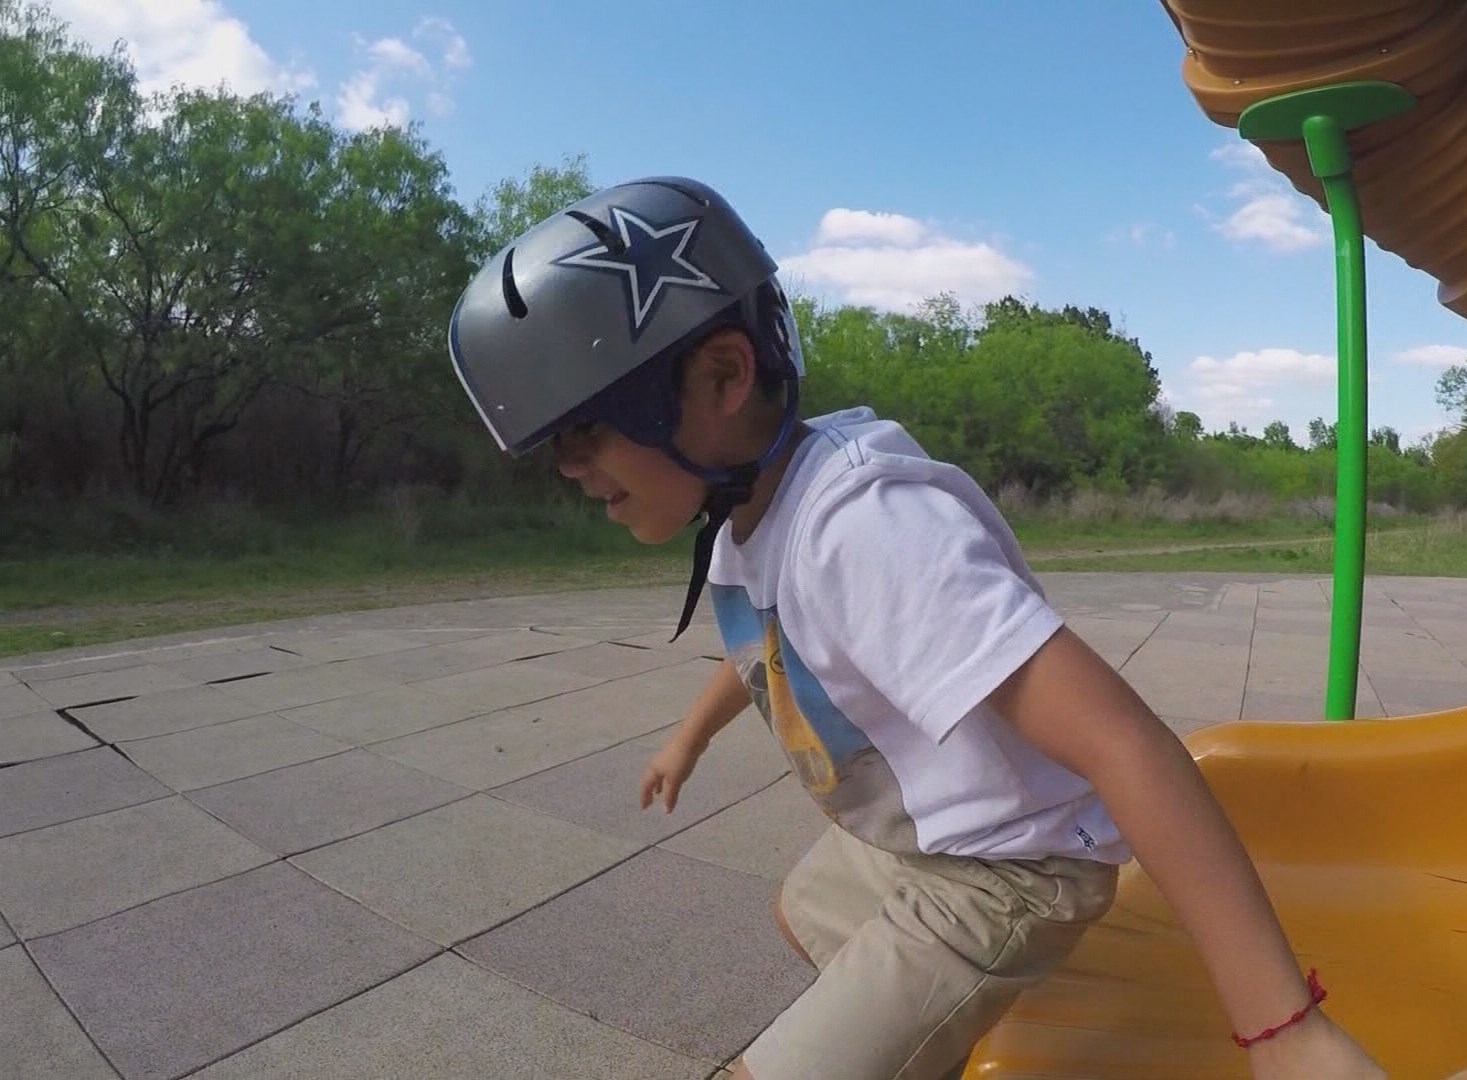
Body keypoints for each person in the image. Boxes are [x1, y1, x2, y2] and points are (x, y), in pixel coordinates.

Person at [446, 177, 1384, 1080]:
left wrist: (1282, 1028)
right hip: (919, 845)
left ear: (724, 374)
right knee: (807, 905)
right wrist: (687, 738)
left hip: (1008, 874)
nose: (569, 469)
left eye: (582, 434)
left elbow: (1125, 742)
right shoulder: (746, 521)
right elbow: (768, 652)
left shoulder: (869, 530)